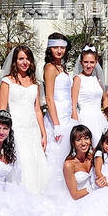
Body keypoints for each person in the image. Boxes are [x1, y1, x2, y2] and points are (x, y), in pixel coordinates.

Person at [0, 45, 49, 194]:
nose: (25, 62)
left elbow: (38, 109)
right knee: (20, 164)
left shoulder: (36, 83)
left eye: (27, 59)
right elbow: (1, 112)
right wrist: (3, 134)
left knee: (34, 164)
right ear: (15, 61)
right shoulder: (7, 82)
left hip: (32, 130)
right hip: (16, 129)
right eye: (21, 59)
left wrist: (43, 133)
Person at [42, 34, 76, 180]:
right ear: (50, 48)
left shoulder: (61, 67)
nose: (59, 50)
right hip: (56, 117)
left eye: (62, 47)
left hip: (66, 115)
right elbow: (49, 97)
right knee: (55, 153)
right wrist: (56, 125)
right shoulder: (50, 67)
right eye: (55, 47)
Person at [71, 46, 108, 142]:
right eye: (86, 62)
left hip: (99, 119)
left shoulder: (96, 79)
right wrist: (76, 124)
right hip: (85, 119)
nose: (89, 65)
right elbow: (73, 104)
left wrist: (105, 113)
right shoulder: (78, 79)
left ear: (96, 63)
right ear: (81, 63)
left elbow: (106, 98)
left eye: (92, 62)